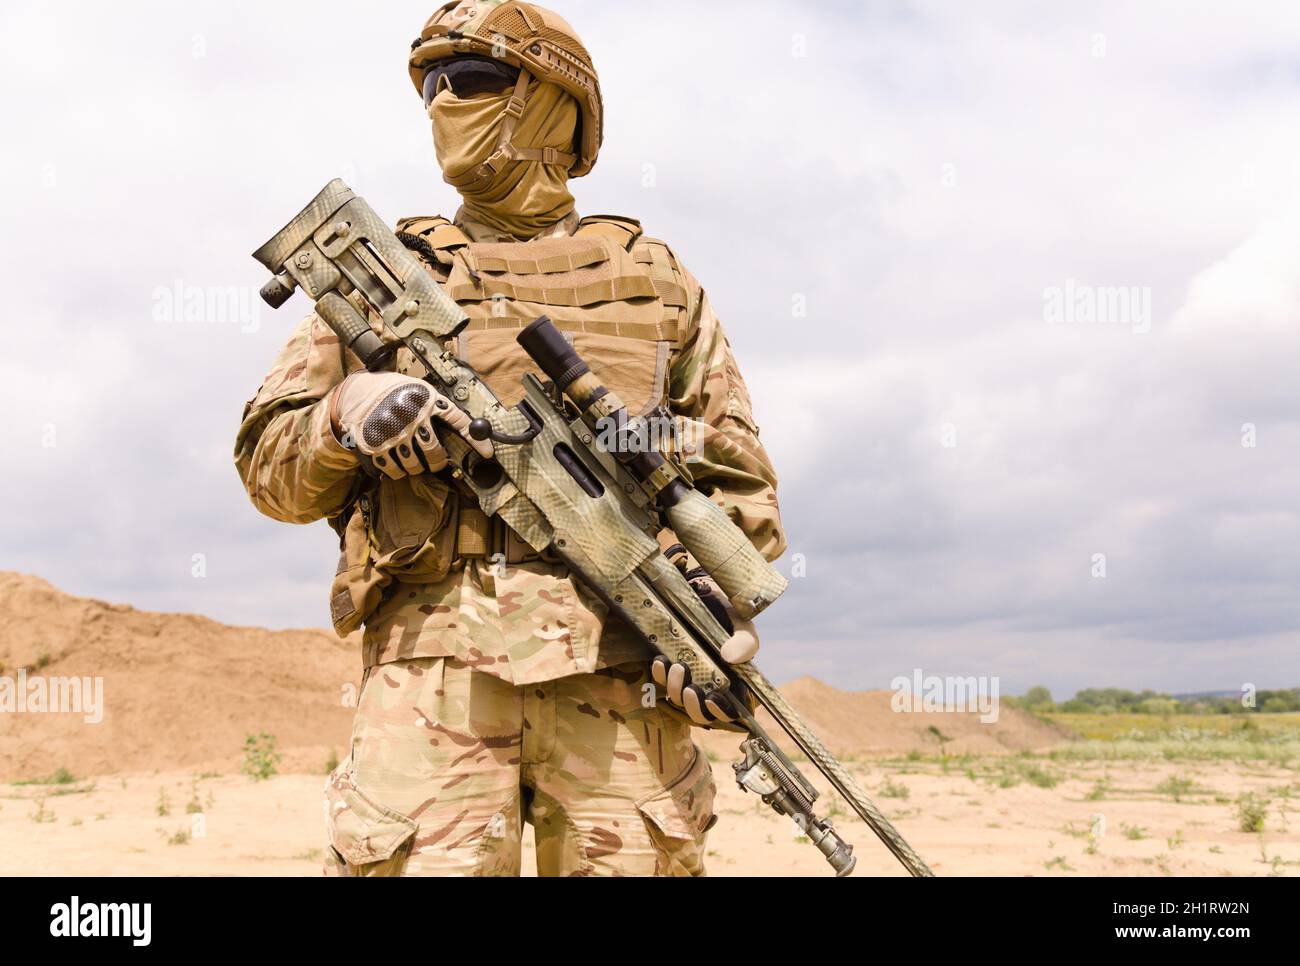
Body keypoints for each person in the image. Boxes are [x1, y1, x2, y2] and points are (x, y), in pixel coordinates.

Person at [234, 0, 785, 876]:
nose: (444, 102)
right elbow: (271, 474)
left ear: (551, 103)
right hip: (433, 687)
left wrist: (721, 627)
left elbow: (734, 477)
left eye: (475, 80)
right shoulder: (385, 277)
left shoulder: (657, 283)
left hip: (626, 679)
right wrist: (349, 412)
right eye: (431, 87)